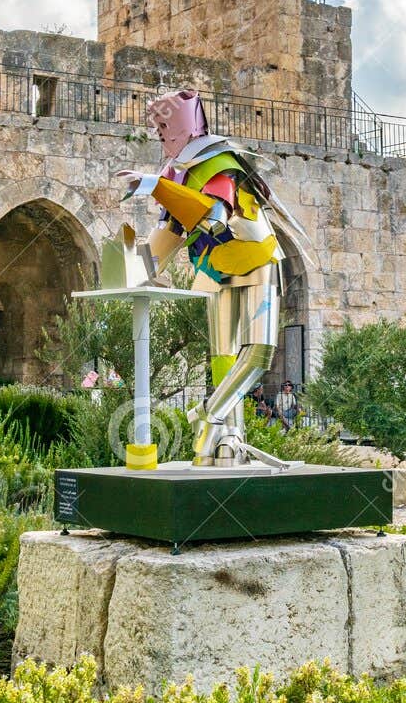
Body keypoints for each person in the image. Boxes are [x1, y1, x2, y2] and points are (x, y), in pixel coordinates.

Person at [116, 89, 306, 467]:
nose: (158, 131)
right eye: (155, 125)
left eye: (164, 124)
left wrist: (156, 185)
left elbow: (213, 217)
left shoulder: (217, 160)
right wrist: (139, 273)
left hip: (256, 259)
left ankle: (210, 414)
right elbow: (171, 231)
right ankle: (225, 440)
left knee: (258, 353)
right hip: (214, 269)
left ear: (185, 123)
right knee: (222, 357)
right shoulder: (175, 173)